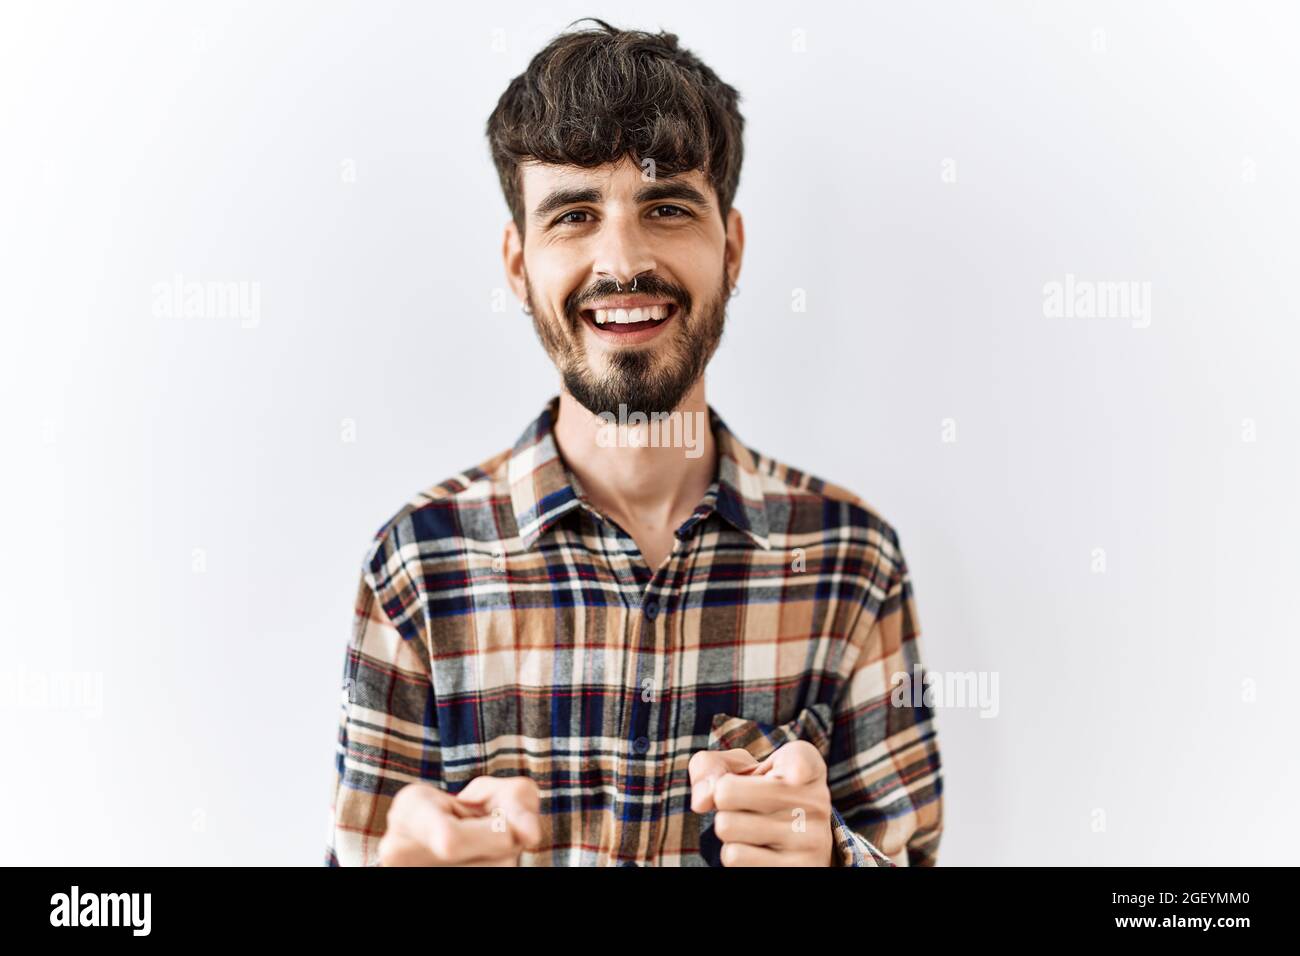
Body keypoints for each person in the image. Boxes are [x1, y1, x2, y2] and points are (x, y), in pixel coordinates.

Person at [326, 17, 943, 867]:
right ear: (518, 264)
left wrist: (830, 860)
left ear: (730, 249)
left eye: (665, 207)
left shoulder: (852, 560)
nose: (623, 260)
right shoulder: (417, 569)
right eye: (575, 214)